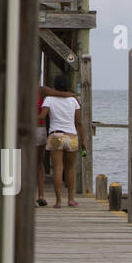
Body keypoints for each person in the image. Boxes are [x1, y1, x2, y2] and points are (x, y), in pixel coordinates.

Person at [41, 75, 84, 208]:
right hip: (71, 136)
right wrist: (83, 141)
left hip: (56, 135)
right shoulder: (73, 100)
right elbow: (78, 122)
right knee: (70, 169)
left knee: (58, 169)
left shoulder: (49, 99)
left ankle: (58, 201)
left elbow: (42, 116)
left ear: (55, 86)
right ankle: (71, 199)